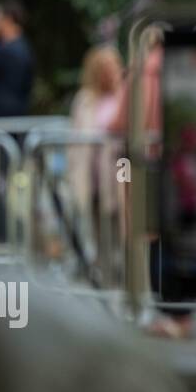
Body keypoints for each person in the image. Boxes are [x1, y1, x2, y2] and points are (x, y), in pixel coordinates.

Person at [67, 44, 125, 255]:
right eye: (103, 67)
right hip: (93, 173)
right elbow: (75, 140)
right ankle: (104, 273)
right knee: (97, 225)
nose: (108, 72)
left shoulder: (125, 95)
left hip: (120, 168)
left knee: (121, 219)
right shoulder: (84, 100)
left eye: (112, 66)